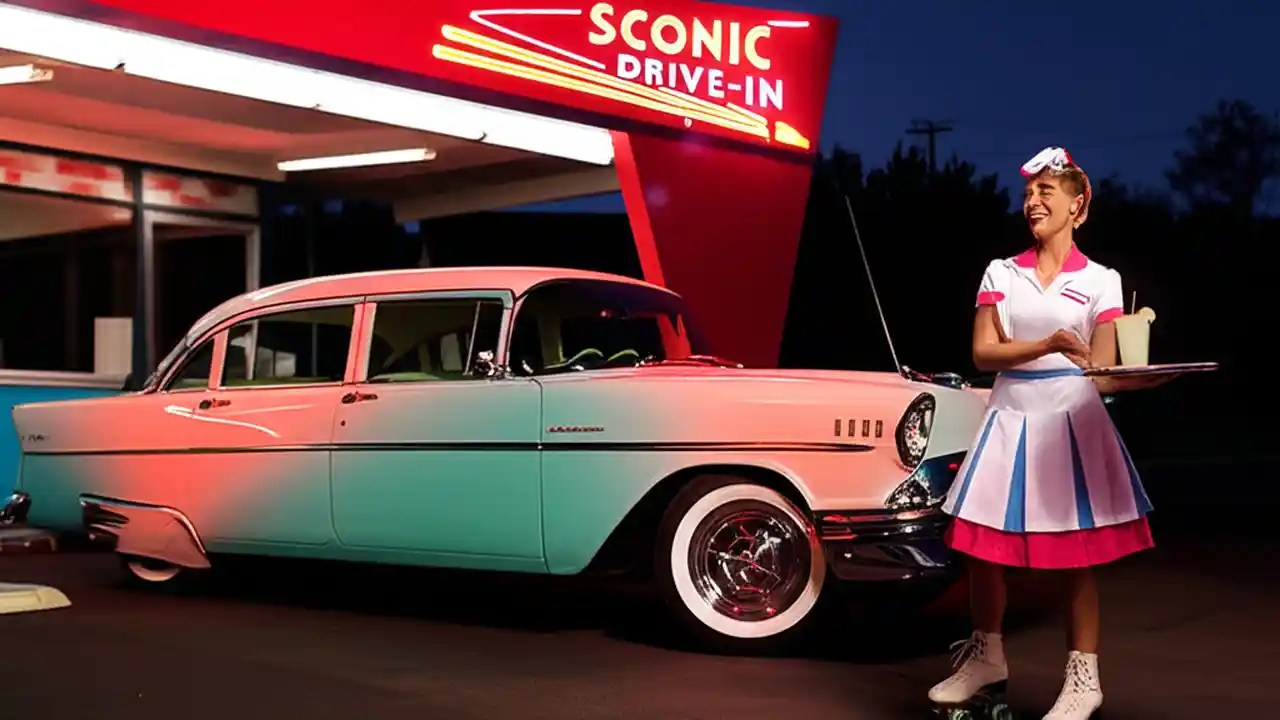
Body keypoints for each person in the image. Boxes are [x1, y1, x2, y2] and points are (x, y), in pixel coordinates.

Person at [927, 146, 1168, 720]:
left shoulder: (1103, 281)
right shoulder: (1001, 273)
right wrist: (1049, 343)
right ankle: (987, 658)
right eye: (1029, 194)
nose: (1033, 202)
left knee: (1072, 557)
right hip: (1010, 416)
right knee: (985, 549)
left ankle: (1084, 678)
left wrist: (1148, 379)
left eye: (1046, 193)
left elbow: (1103, 372)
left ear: (1077, 206)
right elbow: (985, 353)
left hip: (1071, 421)